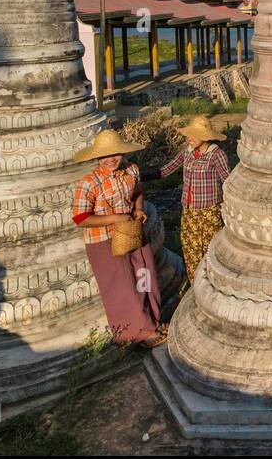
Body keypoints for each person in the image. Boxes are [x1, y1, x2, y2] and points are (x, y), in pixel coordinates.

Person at [71, 129, 166, 347]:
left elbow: (138, 191)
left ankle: (153, 321)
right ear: (97, 157)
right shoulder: (89, 183)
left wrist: (139, 209)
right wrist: (114, 218)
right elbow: (80, 218)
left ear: (122, 154)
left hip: (131, 232)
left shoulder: (131, 171)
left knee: (145, 275)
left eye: (115, 154)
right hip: (103, 240)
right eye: (105, 156)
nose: (111, 159)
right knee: (122, 286)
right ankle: (137, 333)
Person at [158, 115, 231, 285]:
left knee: (209, 251)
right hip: (189, 211)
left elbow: (227, 181)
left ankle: (213, 286)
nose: (189, 138)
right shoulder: (187, 153)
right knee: (191, 251)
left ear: (205, 137)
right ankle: (196, 287)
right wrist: (138, 176)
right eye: (188, 134)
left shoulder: (216, 155)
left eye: (193, 135)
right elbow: (168, 169)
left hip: (209, 213)